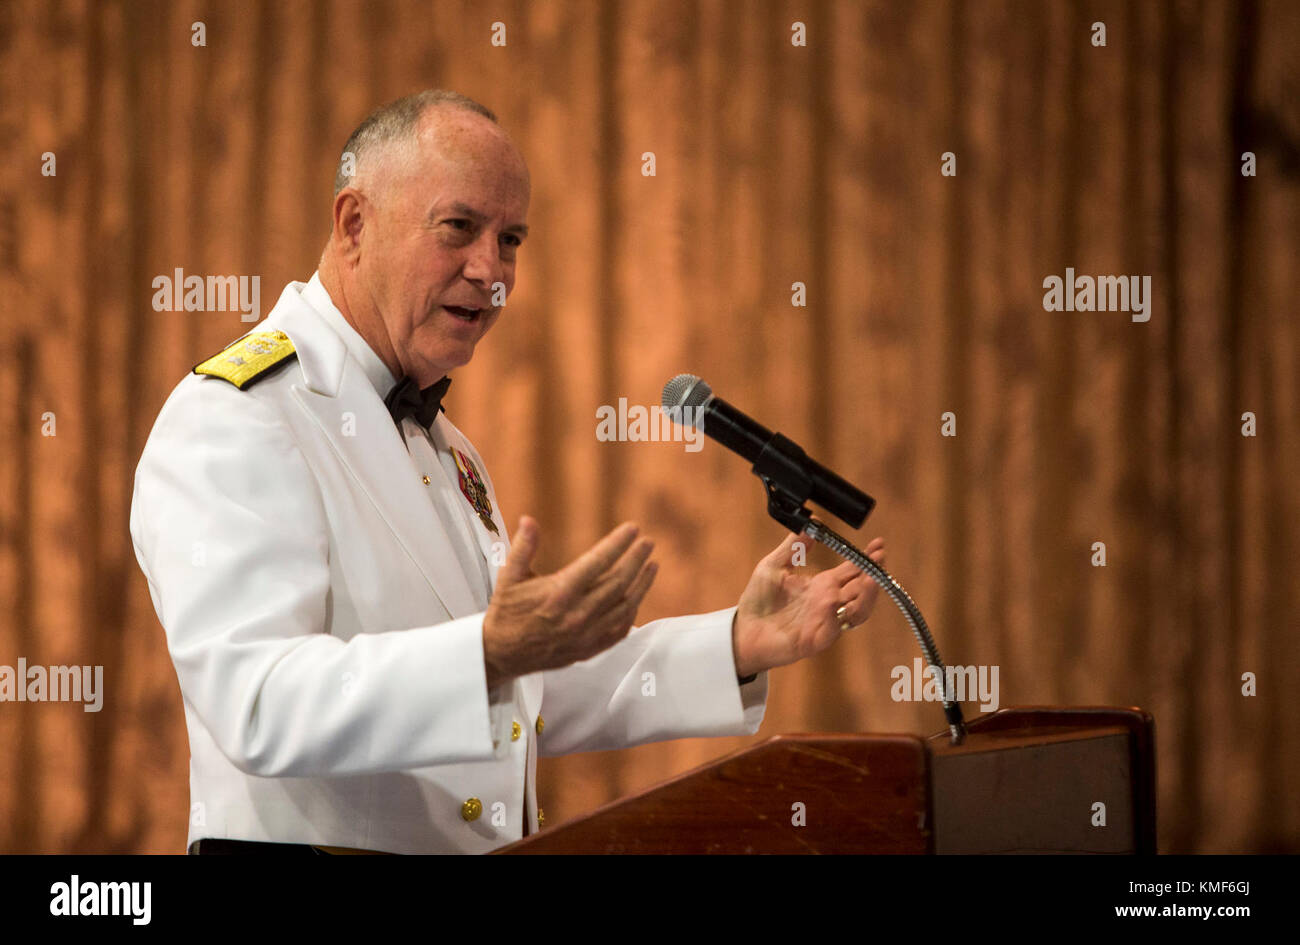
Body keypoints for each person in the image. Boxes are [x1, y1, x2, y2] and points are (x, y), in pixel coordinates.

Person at [129, 90, 886, 854]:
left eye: (512, 239)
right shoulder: (237, 416)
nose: (490, 270)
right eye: (459, 227)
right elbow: (258, 704)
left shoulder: (446, 445)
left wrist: (735, 644)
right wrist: (487, 652)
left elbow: (515, 685)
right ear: (354, 222)